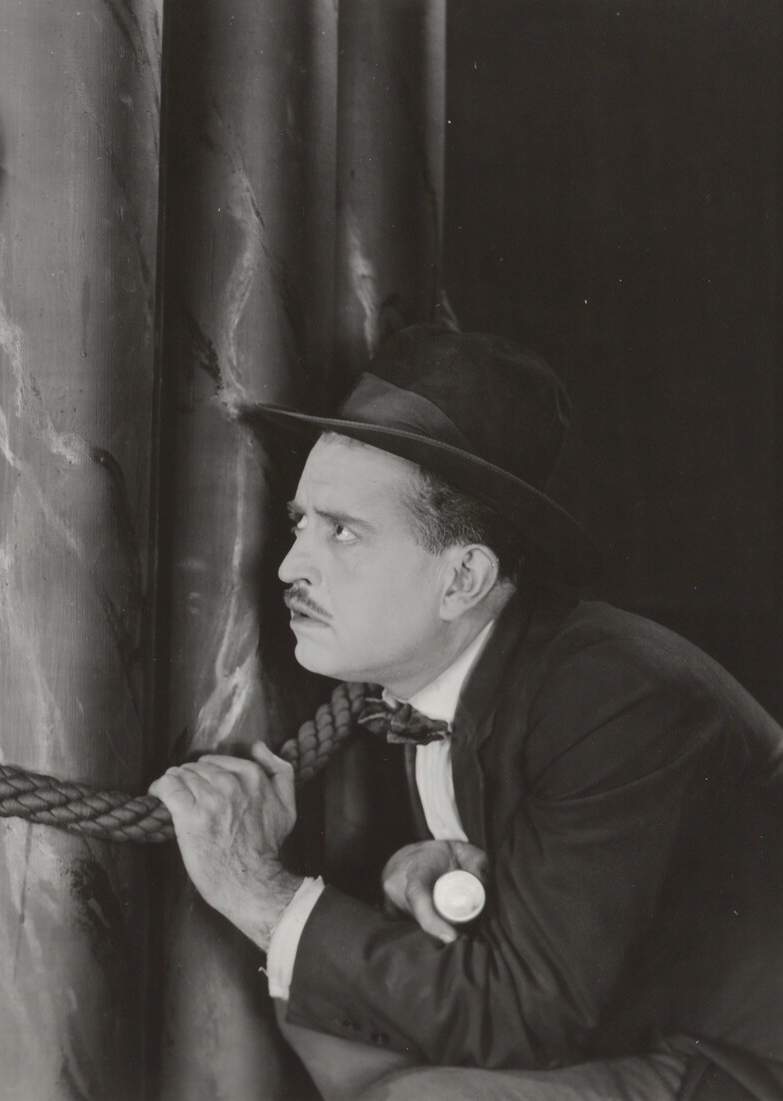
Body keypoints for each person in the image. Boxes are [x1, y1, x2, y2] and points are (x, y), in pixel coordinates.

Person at [151, 325, 783, 1101]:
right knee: (317, 1029)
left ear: (463, 579)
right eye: (299, 523)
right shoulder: (442, 675)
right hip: (618, 1027)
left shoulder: (615, 695)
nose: (288, 566)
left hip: (734, 1064)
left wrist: (257, 888)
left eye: (342, 531)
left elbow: (528, 1012)